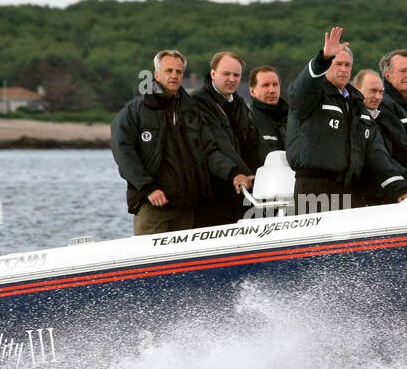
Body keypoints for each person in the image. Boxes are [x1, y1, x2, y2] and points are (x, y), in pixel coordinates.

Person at [111, 49, 252, 235]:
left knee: (186, 264)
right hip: (153, 207)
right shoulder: (134, 112)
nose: (174, 76)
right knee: (155, 263)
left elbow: (209, 151)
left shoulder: (192, 111)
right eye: (169, 71)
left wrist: (234, 173)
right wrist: (148, 188)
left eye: (179, 72)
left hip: (186, 208)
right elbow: (124, 154)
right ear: (157, 74)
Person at [286, 27, 407, 214]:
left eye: (347, 65)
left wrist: (400, 189)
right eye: (338, 64)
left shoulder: (356, 105)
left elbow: (375, 153)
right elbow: (299, 91)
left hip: (345, 188)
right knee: (321, 243)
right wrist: (323, 58)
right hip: (312, 188)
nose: (344, 69)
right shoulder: (313, 95)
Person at [192, 51, 262, 226]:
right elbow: (213, 147)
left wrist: (265, 172)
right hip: (212, 193)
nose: (232, 79)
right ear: (213, 74)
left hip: (240, 191)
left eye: (236, 75)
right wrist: (235, 173)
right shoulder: (198, 103)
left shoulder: (238, 103)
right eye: (226, 74)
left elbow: (253, 144)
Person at [352, 69, 407, 198]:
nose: (378, 97)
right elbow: (378, 158)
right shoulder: (355, 121)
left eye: (380, 92)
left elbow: (401, 152)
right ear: (356, 89)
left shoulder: (381, 119)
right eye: (373, 91)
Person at [247, 65, 287, 159]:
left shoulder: (294, 119)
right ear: (252, 91)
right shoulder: (247, 121)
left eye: (275, 84)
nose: (272, 90)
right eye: (265, 85)